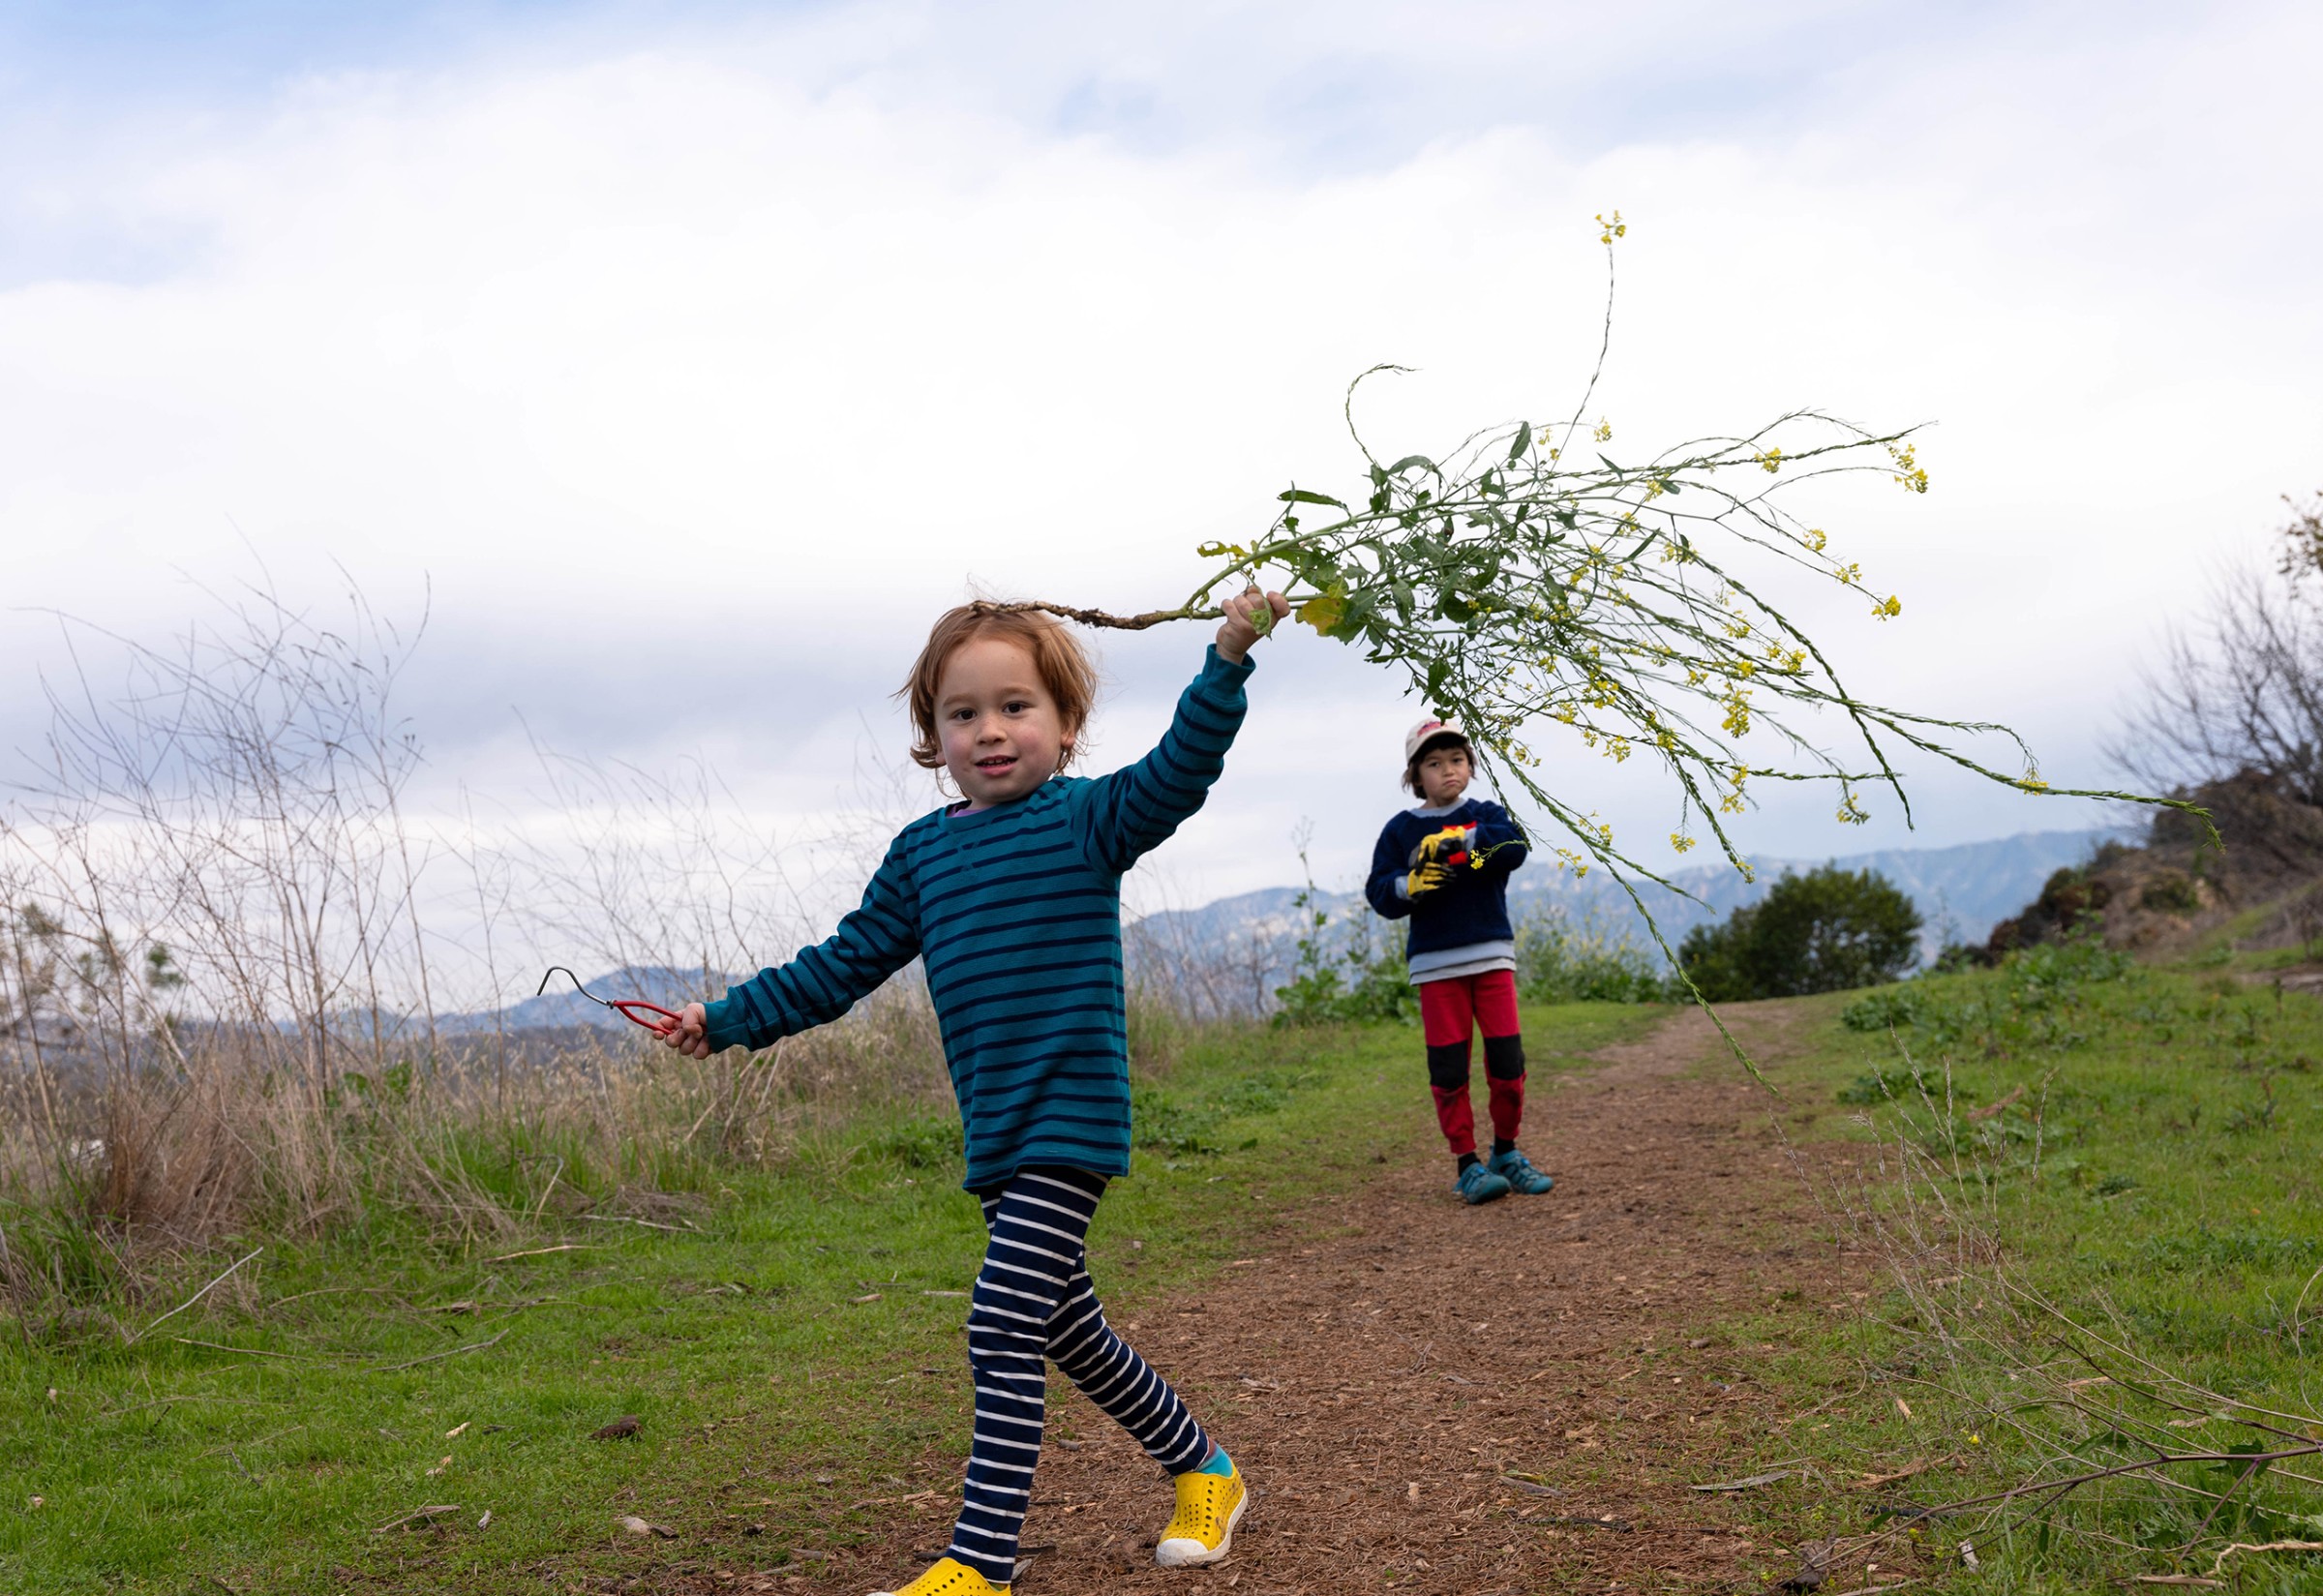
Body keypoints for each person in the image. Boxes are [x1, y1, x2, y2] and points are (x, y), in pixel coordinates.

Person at [659, 587, 1290, 1596]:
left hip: (1070, 1122)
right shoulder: (922, 855)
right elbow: (843, 963)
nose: (990, 730)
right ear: (932, 736)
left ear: (1066, 724)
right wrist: (728, 1016)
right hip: (995, 1129)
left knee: (1000, 1320)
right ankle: (1206, 1467)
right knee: (1065, 1326)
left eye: (1015, 706)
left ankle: (978, 1564)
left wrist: (1227, 656)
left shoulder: (1089, 819)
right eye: (963, 713)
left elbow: (1180, 772)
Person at [1363, 718, 1556, 1205]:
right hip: (1435, 967)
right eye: (1433, 763)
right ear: (1415, 776)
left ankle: (1506, 1154)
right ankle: (1468, 1164)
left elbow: (1511, 851)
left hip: (1491, 957)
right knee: (1449, 1071)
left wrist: (1463, 845)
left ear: (1470, 766)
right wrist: (1411, 885)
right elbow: (1379, 893)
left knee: (1508, 1066)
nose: (1447, 771)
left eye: (1456, 760)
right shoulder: (1401, 831)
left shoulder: (1486, 817)